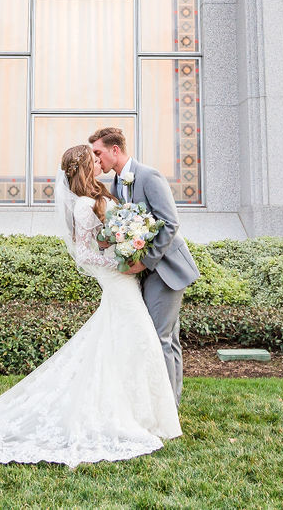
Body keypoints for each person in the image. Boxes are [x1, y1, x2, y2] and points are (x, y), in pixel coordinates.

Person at [0, 144, 180, 467]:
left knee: (129, 344)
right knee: (141, 341)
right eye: (92, 159)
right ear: (82, 167)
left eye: (98, 156)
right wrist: (118, 260)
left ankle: (140, 414)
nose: (97, 162)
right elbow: (85, 255)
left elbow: (107, 237)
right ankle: (141, 417)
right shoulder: (83, 206)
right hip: (117, 280)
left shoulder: (100, 196)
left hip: (126, 282)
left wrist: (125, 246)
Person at [89, 125, 199, 404]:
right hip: (145, 271)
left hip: (166, 268)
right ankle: (169, 400)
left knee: (159, 337)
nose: (96, 159)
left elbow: (170, 222)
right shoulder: (114, 185)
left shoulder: (149, 176)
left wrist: (145, 262)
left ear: (115, 150)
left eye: (99, 152)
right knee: (166, 337)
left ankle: (166, 406)